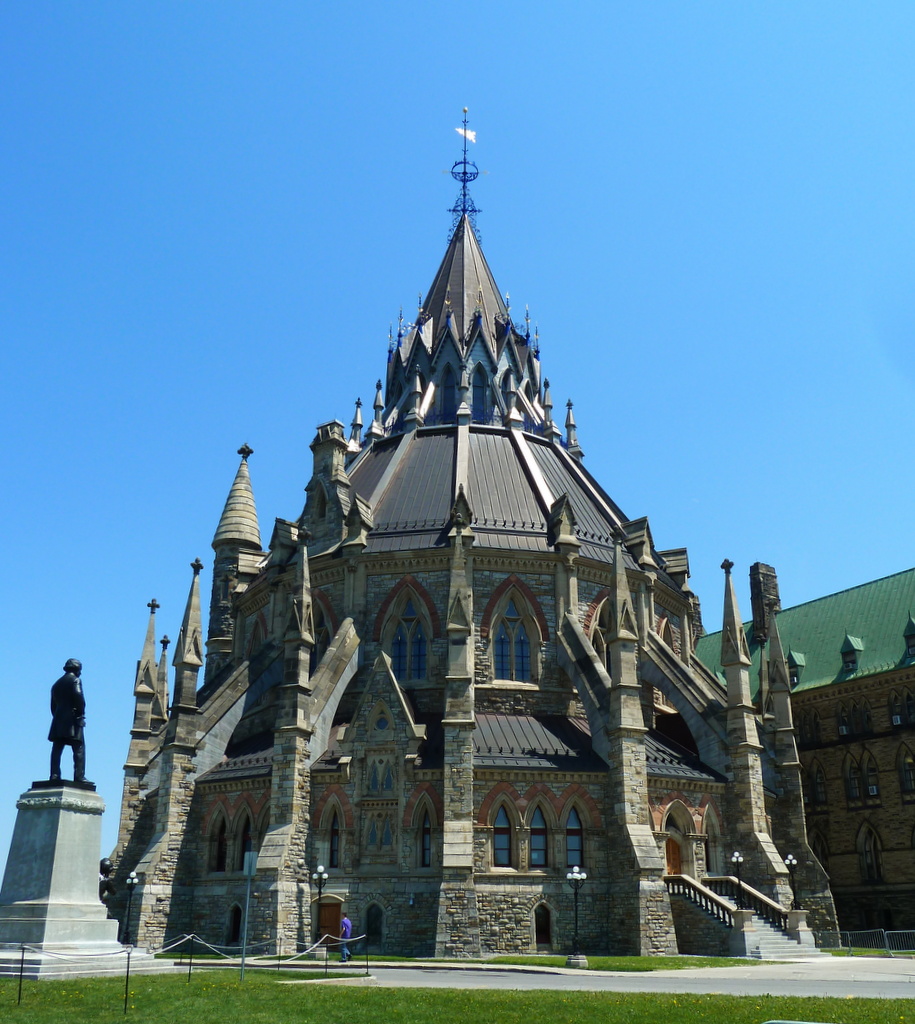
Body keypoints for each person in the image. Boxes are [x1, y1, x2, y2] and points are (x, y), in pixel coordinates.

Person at [49, 658, 86, 783]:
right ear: (76, 669)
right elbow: (78, 696)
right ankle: (79, 776)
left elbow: (53, 705)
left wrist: (58, 716)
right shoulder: (76, 680)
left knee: (57, 748)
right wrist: (80, 713)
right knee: (79, 748)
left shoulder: (56, 684)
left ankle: (54, 774)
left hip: (58, 720)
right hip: (73, 720)